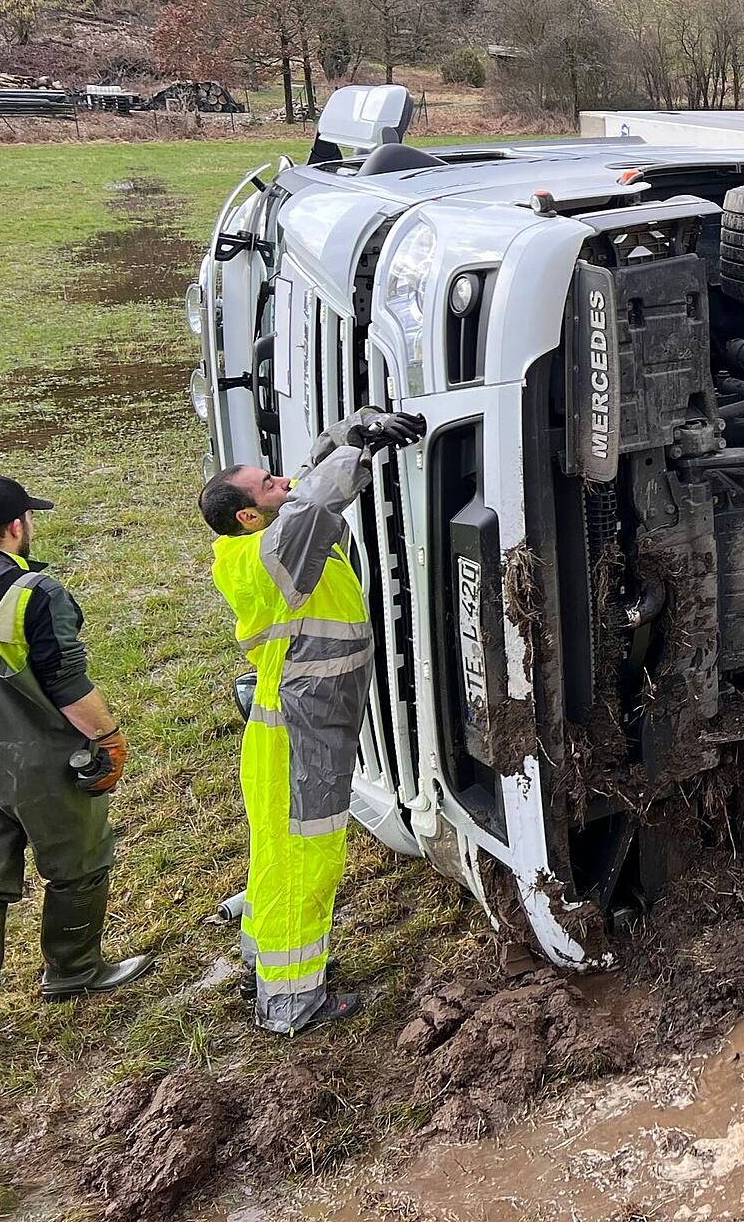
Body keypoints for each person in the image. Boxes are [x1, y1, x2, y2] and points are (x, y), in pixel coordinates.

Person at [198, 407, 423, 1035]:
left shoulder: (255, 541)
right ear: (251, 515)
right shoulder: (272, 555)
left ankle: (262, 959)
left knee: (275, 856)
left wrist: (348, 432)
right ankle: (293, 1000)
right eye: (265, 486)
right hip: (303, 731)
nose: (281, 484)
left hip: (285, 728)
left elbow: (299, 486)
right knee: (307, 860)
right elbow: (313, 503)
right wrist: (361, 453)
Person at [0, 475, 150, 1009]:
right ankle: (74, 970)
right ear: (16, 526)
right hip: (34, 758)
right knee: (78, 862)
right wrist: (108, 736)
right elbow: (66, 682)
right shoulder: (32, 594)